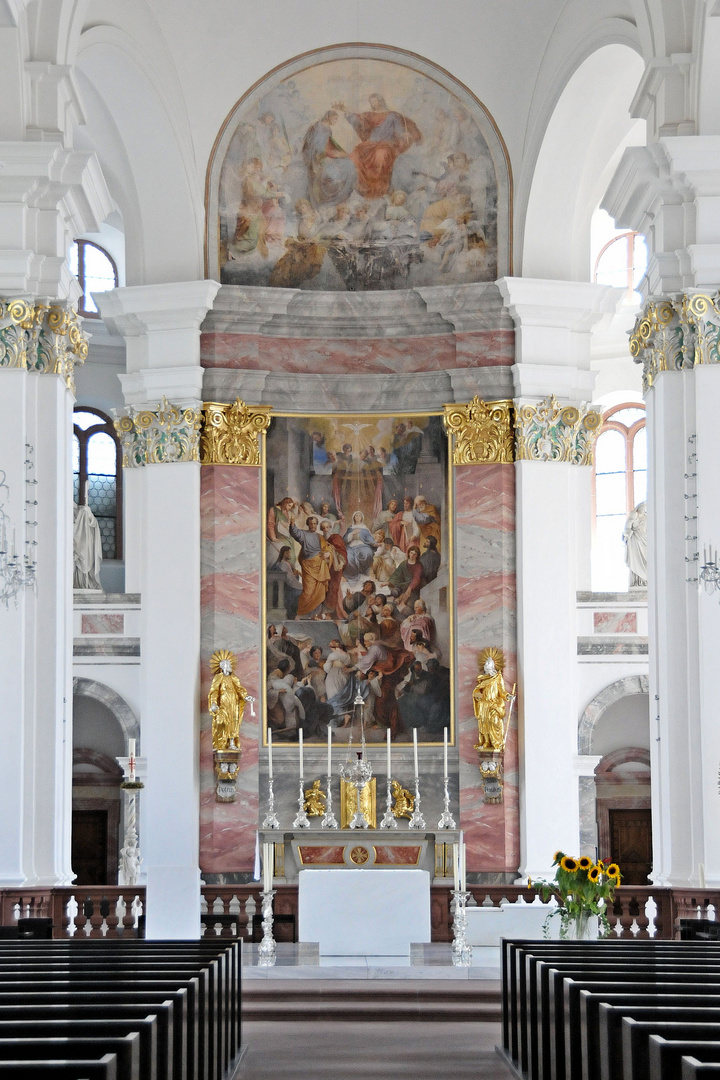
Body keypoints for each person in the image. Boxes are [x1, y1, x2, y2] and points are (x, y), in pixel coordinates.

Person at [336, 95, 422, 199]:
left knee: (380, 156)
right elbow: (359, 123)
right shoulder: (369, 115)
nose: (373, 104)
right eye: (371, 102)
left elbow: (399, 130)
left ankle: (377, 189)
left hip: (386, 145)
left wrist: (404, 134)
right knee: (354, 156)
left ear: (381, 101)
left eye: (375, 101)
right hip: (369, 144)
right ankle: (360, 186)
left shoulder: (392, 115)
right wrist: (347, 111)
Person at [302, 110, 357, 208]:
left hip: (325, 154)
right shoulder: (319, 127)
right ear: (328, 117)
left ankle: (342, 196)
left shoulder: (327, 128)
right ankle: (332, 199)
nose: (335, 121)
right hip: (317, 157)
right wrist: (328, 156)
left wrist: (338, 153)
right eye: (334, 118)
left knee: (348, 162)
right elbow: (317, 147)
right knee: (337, 170)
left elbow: (329, 144)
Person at [289, 514, 332, 618]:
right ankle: (300, 614)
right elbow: (295, 533)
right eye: (311, 523)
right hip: (308, 566)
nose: (313, 525)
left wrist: (328, 553)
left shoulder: (319, 536)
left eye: (314, 524)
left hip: (319, 564)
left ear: (316, 525)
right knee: (308, 591)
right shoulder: (303, 534)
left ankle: (314, 615)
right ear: (308, 524)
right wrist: (292, 524)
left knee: (319, 591)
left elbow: (326, 548)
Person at [473, 652, 514, 752]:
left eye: (488, 663)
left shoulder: (497, 678)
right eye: (485, 663)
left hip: (494, 705)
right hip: (484, 704)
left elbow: (502, 691)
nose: (486, 665)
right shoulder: (482, 678)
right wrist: (477, 695)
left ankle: (497, 742)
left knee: (494, 721)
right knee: (483, 723)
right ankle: (486, 742)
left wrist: (508, 696)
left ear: (493, 665)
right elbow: (478, 690)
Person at [208, 650, 248, 751]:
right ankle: (220, 743)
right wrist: (213, 703)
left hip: (233, 703)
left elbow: (239, 689)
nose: (230, 665)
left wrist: (246, 696)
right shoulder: (218, 677)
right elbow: (214, 691)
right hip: (223, 703)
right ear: (222, 666)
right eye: (227, 664)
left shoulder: (233, 678)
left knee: (233, 722)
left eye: (230, 664)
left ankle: (231, 743)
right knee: (222, 721)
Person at [319, 518, 348, 619]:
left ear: (331, 528)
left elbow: (342, 552)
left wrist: (330, 553)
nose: (325, 530)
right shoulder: (320, 539)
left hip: (334, 569)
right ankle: (321, 613)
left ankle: (329, 613)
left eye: (327, 527)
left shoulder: (336, 537)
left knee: (332, 588)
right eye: (323, 528)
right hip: (323, 568)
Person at [73, 499, 103, 590]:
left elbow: (93, 526)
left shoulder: (84, 512)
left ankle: (85, 582)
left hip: (83, 548)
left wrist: (87, 515)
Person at [268, 545, 302, 619]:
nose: (289, 555)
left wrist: (295, 574)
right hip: (288, 587)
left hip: (290, 584)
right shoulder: (282, 564)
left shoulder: (286, 563)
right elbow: (288, 579)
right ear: (283, 554)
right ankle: (294, 615)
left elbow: (290, 575)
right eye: (287, 553)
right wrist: (296, 577)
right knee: (300, 593)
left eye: (289, 553)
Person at [343, 511, 378, 580]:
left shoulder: (365, 528)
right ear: (354, 517)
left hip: (362, 545)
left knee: (367, 553)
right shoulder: (350, 528)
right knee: (348, 556)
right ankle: (353, 576)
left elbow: (369, 539)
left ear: (362, 518)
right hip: (351, 546)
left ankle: (363, 573)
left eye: (359, 516)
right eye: (356, 515)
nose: (358, 517)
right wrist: (352, 533)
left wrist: (375, 543)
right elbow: (344, 540)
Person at [388, 544, 424, 609]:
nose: (412, 555)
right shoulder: (404, 563)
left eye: (414, 554)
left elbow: (416, 578)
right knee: (395, 591)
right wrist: (389, 582)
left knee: (410, 604)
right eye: (411, 553)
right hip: (404, 585)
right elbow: (397, 573)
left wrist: (409, 589)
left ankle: (401, 601)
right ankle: (398, 599)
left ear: (417, 556)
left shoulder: (418, 565)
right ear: (409, 553)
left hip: (415, 587)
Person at [623, 500, 648, 586]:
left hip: (645, 540)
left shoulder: (646, 517)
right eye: (643, 508)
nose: (644, 510)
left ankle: (645, 580)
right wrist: (627, 533)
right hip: (635, 540)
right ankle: (637, 581)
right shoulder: (634, 515)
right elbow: (628, 526)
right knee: (636, 560)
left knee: (647, 559)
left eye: (645, 508)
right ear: (639, 508)